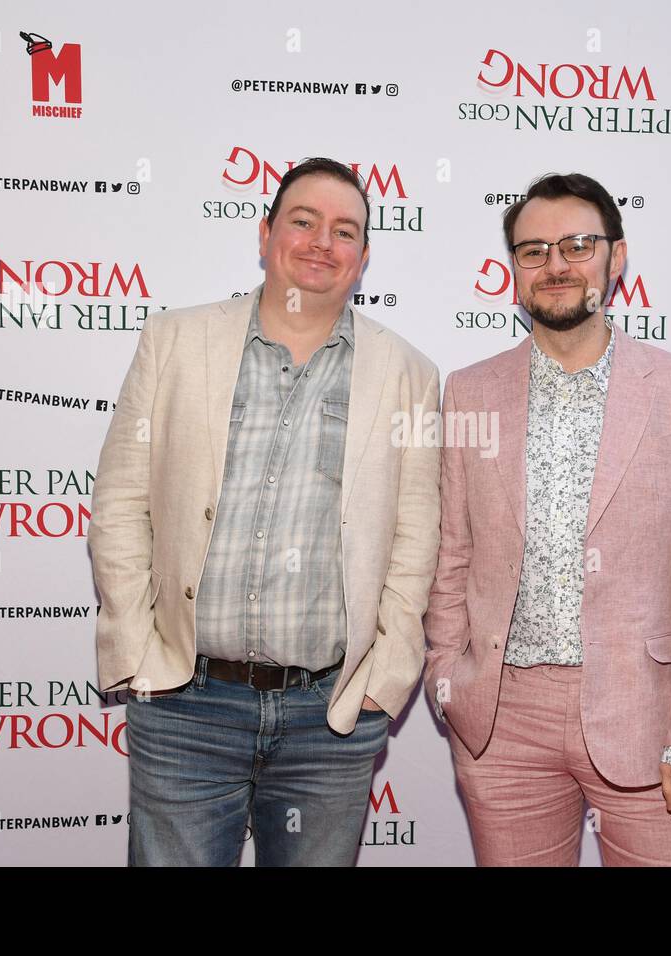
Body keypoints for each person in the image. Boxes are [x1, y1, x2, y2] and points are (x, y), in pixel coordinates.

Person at [88, 157, 441, 866]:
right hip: (186, 703)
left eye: (345, 231)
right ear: (265, 233)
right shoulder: (176, 342)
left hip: (329, 719)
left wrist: (387, 675)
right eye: (303, 221)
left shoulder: (409, 374)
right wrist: (136, 645)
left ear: (364, 258)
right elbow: (121, 501)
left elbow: (415, 537)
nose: (321, 242)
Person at [424, 172, 671, 866]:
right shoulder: (469, 391)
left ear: (615, 257)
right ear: (513, 269)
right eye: (534, 251)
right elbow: (452, 555)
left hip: (649, 717)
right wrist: (451, 681)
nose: (556, 265)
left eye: (577, 245)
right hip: (503, 724)